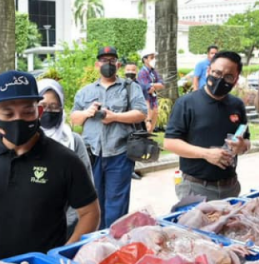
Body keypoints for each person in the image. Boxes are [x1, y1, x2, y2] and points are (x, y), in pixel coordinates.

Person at [0, 71, 100, 261]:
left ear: (39, 112)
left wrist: (63, 256)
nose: (18, 119)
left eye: (27, 112)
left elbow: (90, 212)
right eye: (8, 113)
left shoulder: (66, 160)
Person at [71, 46, 148, 228]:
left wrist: (115, 117)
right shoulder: (85, 92)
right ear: (97, 64)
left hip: (120, 153)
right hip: (92, 154)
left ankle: (112, 241)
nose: (108, 64)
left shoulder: (130, 88)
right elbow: (74, 118)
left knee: (116, 204)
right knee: (93, 201)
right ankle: (94, 241)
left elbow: (141, 113)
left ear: (118, 64)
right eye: (104, 60)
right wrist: (88, 112)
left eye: (112, 60)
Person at [164, 50, 251, 201]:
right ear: (208, 71)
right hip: (195, 188)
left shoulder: (237, 105)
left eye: (228, 76)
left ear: (236, 80)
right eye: (217, 73)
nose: (220, 79)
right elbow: (170, 143)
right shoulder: (186, 103)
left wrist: (242, 146)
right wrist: (206, 154)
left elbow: (246, 140)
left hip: (230, 186)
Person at [37, 78, 95, 239]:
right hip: (31, 227)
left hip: (68, 225)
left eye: (54, 107)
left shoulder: (73, 141)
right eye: (42, 106)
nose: (48, 111)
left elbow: (87, 187)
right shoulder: (25, 141)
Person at [137, 49, 165, 133]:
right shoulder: (142, 73)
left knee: (152, 127)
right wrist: (154, 85)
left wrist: (152, 85)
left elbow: (162, 84)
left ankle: (149, 142)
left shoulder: (153, 72)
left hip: (154, 102)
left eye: (154, 57)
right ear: (145, 59)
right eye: (151, 57)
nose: (154, 59)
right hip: (147, 102)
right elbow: (147, 89)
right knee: (147, 126)